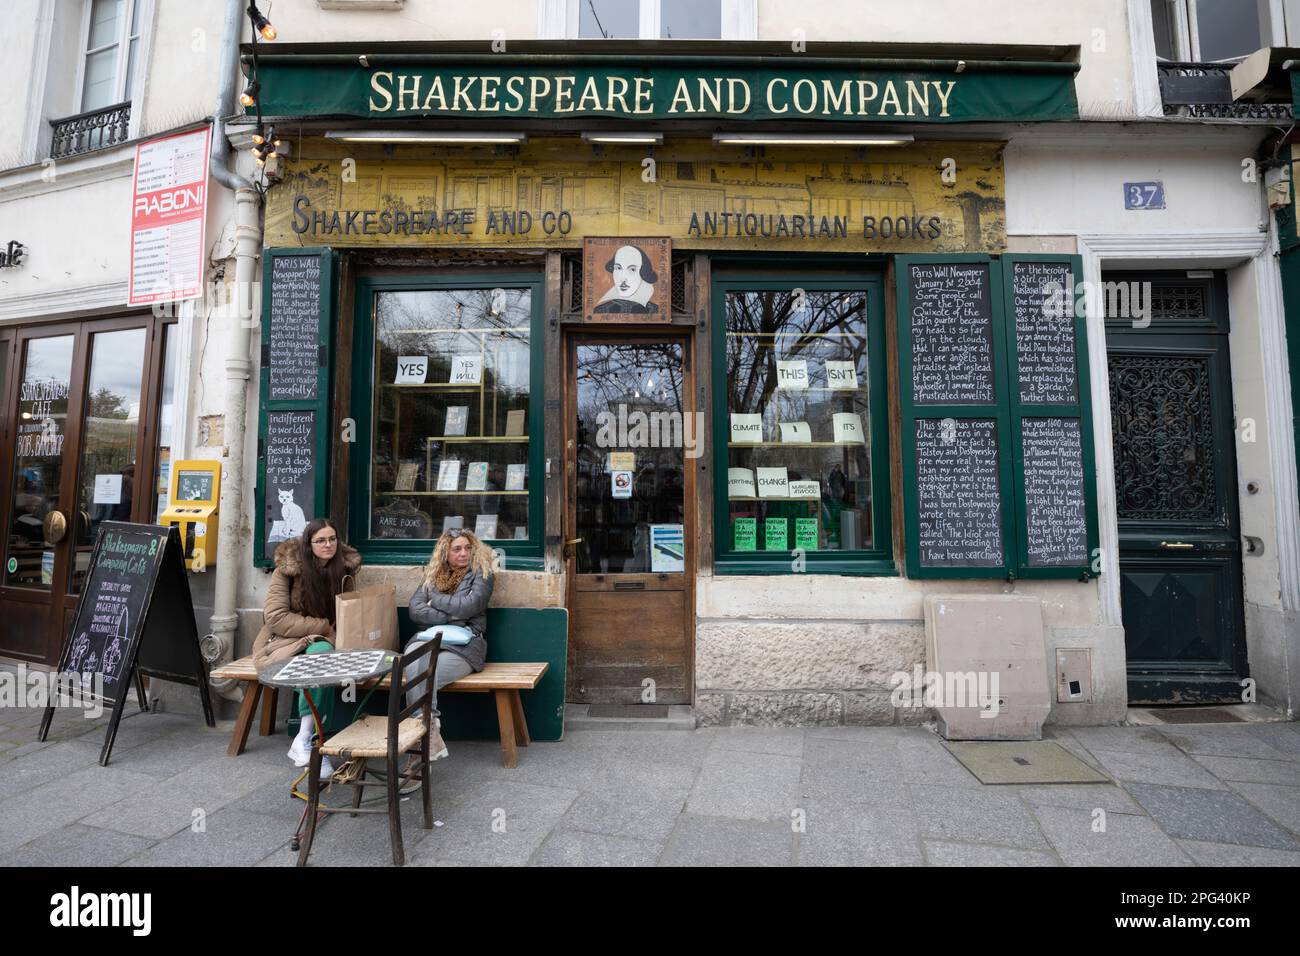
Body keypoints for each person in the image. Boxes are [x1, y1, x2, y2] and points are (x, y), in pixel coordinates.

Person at [252, 518, 361, 780]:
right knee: (321, 657)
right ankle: (309, 739)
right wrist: (323, 627)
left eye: (332, 539)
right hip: (285, 641)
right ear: (308, 544)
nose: (328, 545)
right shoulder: (287, 571)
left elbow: (346, 610)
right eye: (320, 540)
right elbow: (276, 617)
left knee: (325, 657)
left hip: (326, 640)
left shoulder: (343, 570)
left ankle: (310, 742)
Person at [405, 527, 496, 765]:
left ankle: (418, 747)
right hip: (430, 637)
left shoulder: (482, 573)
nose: (463, 553)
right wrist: (451, 615)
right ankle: (429, 731)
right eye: (457, 549)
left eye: (468, 548)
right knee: (412, 660)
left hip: (466, 643)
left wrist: (437, 603)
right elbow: (415, 610)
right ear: (445, 552)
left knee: (428, 671)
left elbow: (471, 606)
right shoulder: (433, 576)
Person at [593, 244, 659, 314]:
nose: (623, 279)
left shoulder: (655, 311)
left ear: (643, 272)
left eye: (632, 269)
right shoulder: (599, 311)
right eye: (618, 268)